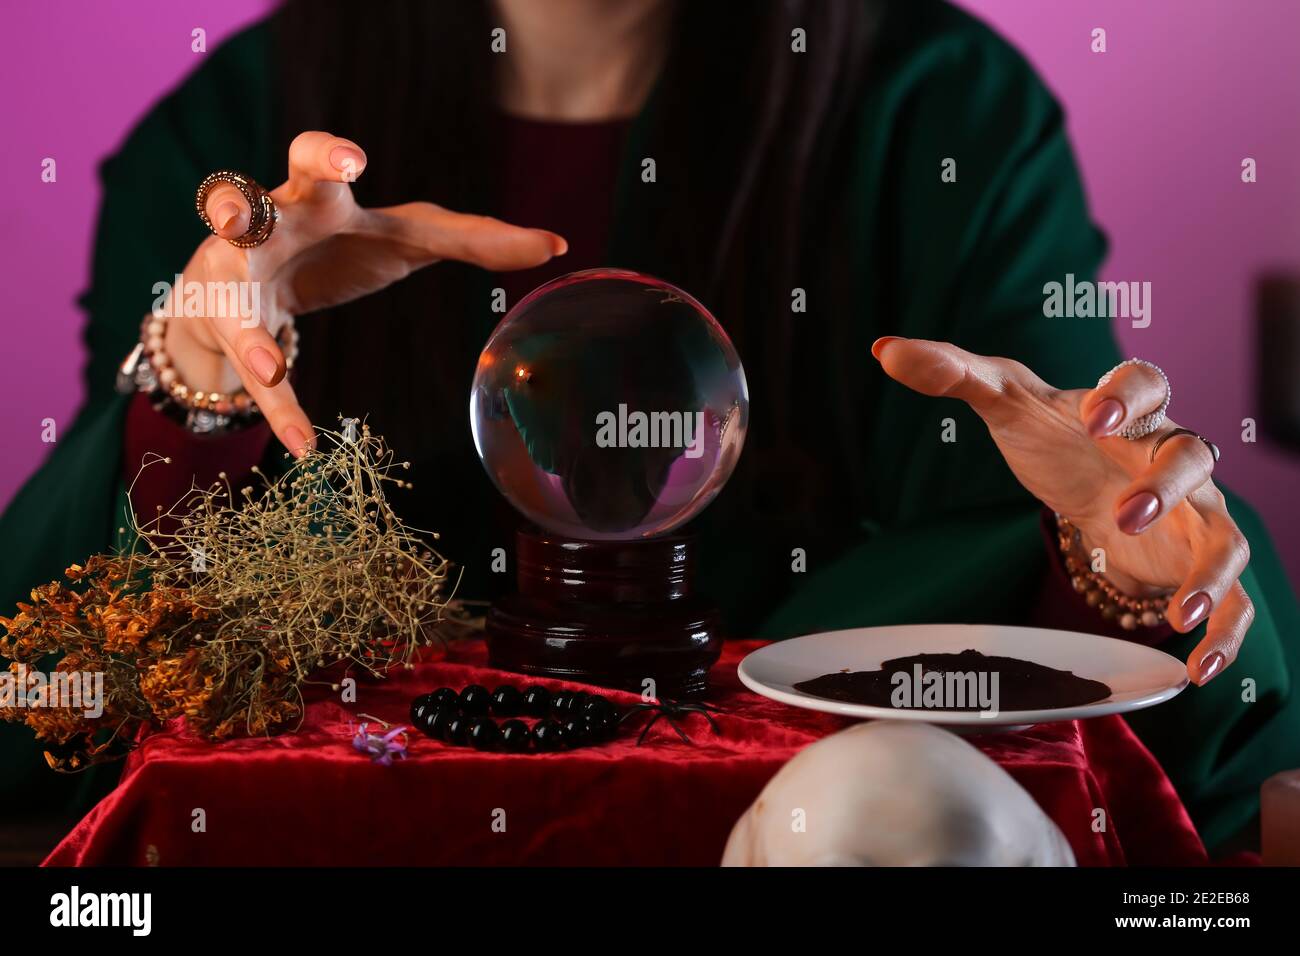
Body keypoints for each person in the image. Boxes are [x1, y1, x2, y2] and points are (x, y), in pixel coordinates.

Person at [1, 0, 1296, 854]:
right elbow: (49, 687)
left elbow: (1073, 507)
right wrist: (197, 377)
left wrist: (1112, 567)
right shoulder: (237, 134)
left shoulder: (947, 109)